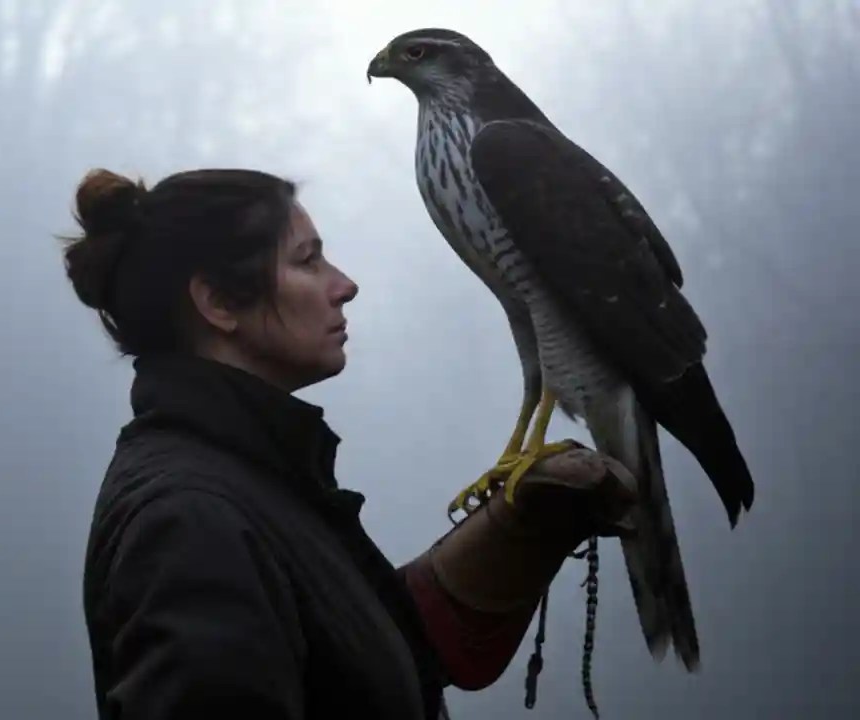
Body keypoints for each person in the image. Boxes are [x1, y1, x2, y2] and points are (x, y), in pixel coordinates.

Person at [61, 167, 638, 719]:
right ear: (217, 302)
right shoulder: (188, 521)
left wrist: (510, 541)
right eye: (308, 260)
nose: (345, 285)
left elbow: (342, 676)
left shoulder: (256, 481)